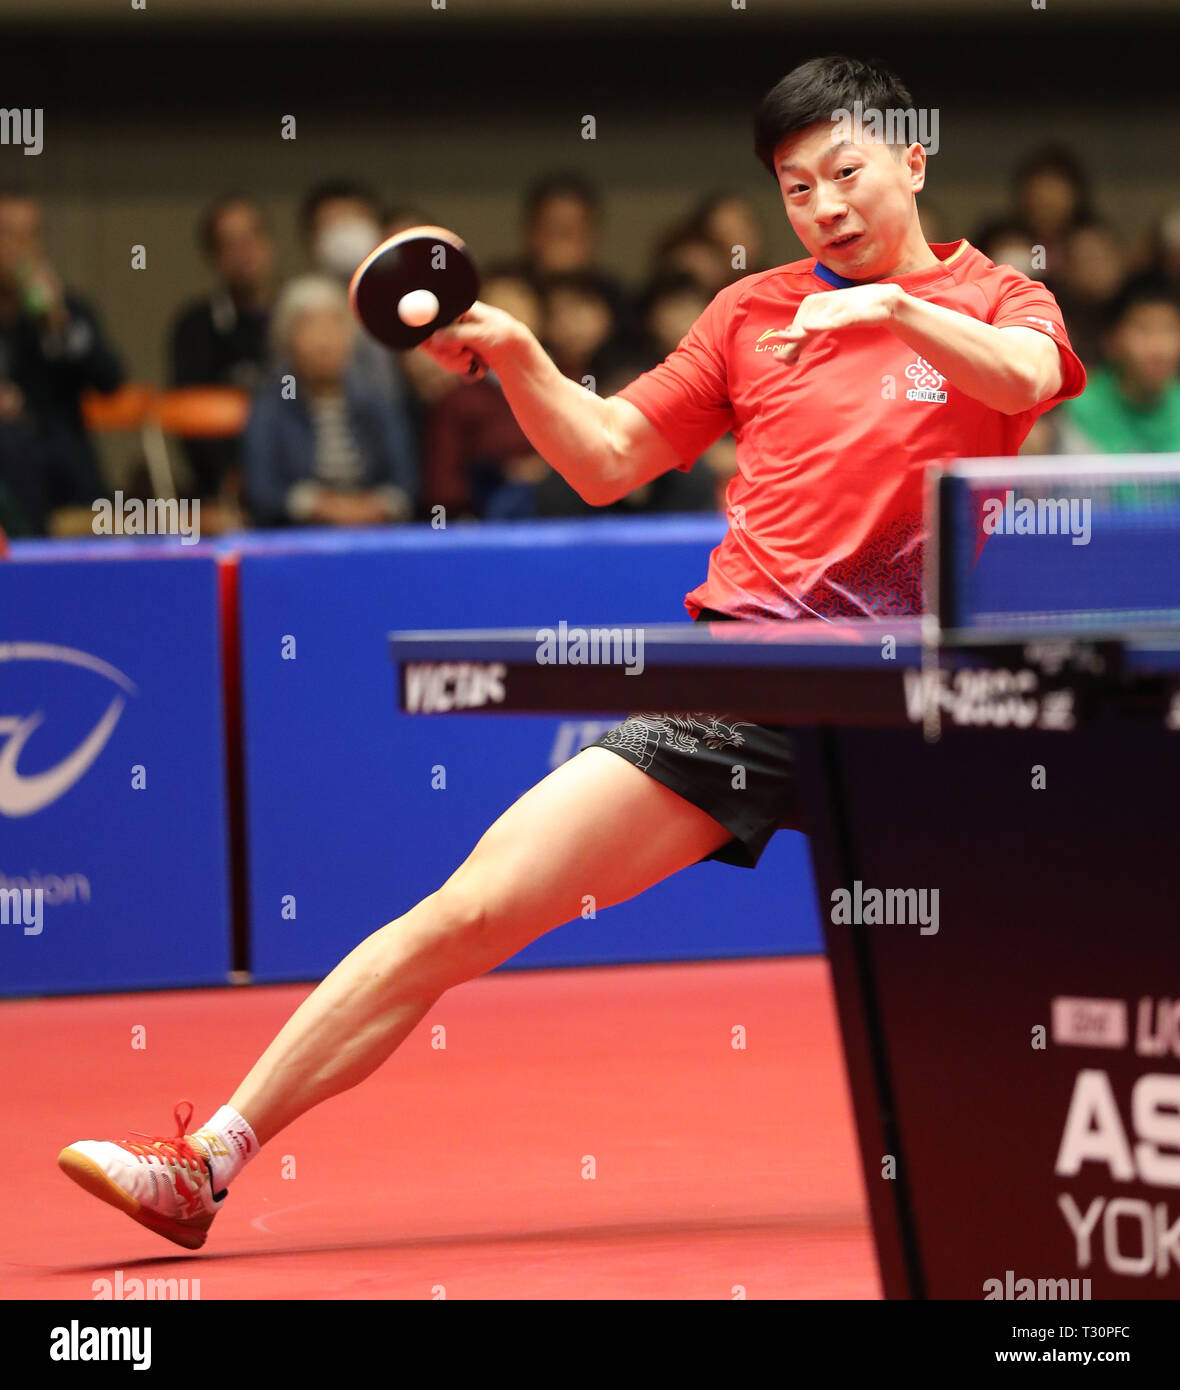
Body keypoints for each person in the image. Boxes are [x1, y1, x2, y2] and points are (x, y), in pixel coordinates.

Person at [58, 54, 1085, 1250]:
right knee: (469, 907)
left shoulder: (1003, 298)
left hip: (928, 701)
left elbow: (1027, 379)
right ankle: (203, 1162)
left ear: (912, 157)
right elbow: (606, 456)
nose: (825, 207)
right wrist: (517, 355)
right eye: (797, 190)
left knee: (1079, 947)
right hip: (744, 688)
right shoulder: (748, 315)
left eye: (845, 172)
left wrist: (896, 309)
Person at [242, 275, 417, 527]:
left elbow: (406, 483)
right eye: (309, 327)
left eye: (333, 325)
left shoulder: (379, 399)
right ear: (286, 340)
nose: (322, 341)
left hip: (374, 531)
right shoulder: (272, 404)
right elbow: (262, 490)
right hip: (298, 538)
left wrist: (376, 505)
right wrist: (318, 506)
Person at [0, 191, 122, 536]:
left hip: (64, 461)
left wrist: (61, 328)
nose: (21, 247)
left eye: (31, 235)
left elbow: (110, 381)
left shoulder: (69, 310)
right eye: (10, 234)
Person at [168, 194, 276, 502]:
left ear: (269, 243)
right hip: (225, 490)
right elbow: (189, 415)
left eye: (251, 238)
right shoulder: (195, 327)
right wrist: (228, 478)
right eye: (230, 243)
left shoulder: (297, 318)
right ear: (213, 257)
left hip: (298, 481)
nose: (244, 252)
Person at [1056, 279, 1180, 454]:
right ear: (1112, 340)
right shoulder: (1082, 407)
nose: (1158, 348)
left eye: (1169, 329)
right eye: (1143, 330)